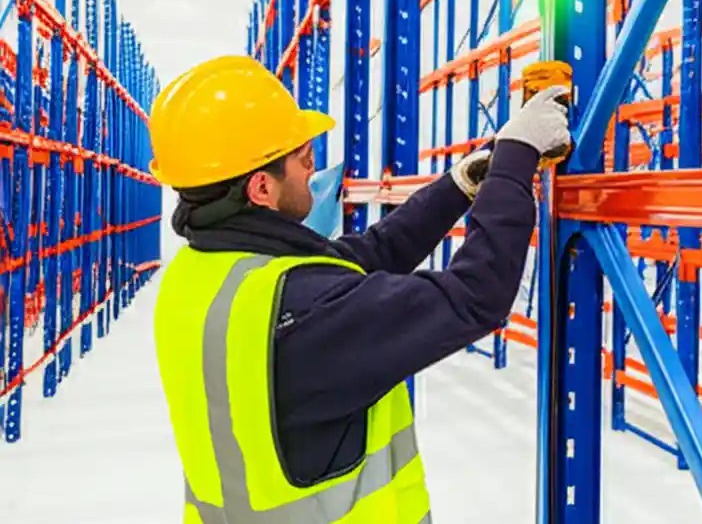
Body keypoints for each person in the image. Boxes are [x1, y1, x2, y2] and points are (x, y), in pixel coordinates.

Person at [148, 55, 570, 523]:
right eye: (302, 156)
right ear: (261, 189)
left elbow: (365, 255)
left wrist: (459, 185)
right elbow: (474, 296)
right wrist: (515, 162)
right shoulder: (302, 315)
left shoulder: (198, 275)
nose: (313, 166)